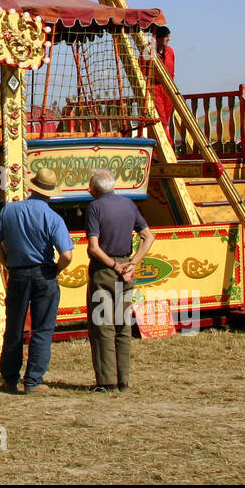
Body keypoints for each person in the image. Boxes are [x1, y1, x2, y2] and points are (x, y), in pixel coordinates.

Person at [0, 168, 73, 394]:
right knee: (42, 328)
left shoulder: (10, 210)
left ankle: (10, 379)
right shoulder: (53, 218)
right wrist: (56, 270)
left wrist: (5, 261)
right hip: (44, 274)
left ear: (32, 187)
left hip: (17, 273)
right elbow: (67, 255)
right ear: (50, 193)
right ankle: (33, 380)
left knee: (14, 327)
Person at [84, 168, 155, 392]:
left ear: (94, 189)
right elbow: (148, 236)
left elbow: (94, 248)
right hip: (127, 270)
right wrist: (133, 263)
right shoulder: (128, 204)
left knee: (103, 325)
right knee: (122, 324)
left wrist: (114, 265)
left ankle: (107, 381)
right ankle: (123, 379)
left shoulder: (95, 207)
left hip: (106, 270)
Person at [147, 25, 176, 135]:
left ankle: (165, 147)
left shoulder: (170, 51)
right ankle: (166, 147)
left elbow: (172, 71)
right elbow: (142, 70)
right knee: (161, 120)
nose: (168, 39)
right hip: (155, 87)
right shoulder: (148, 51)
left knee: (166, 119)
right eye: (166, 37)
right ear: (158, 38)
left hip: (168, 88)